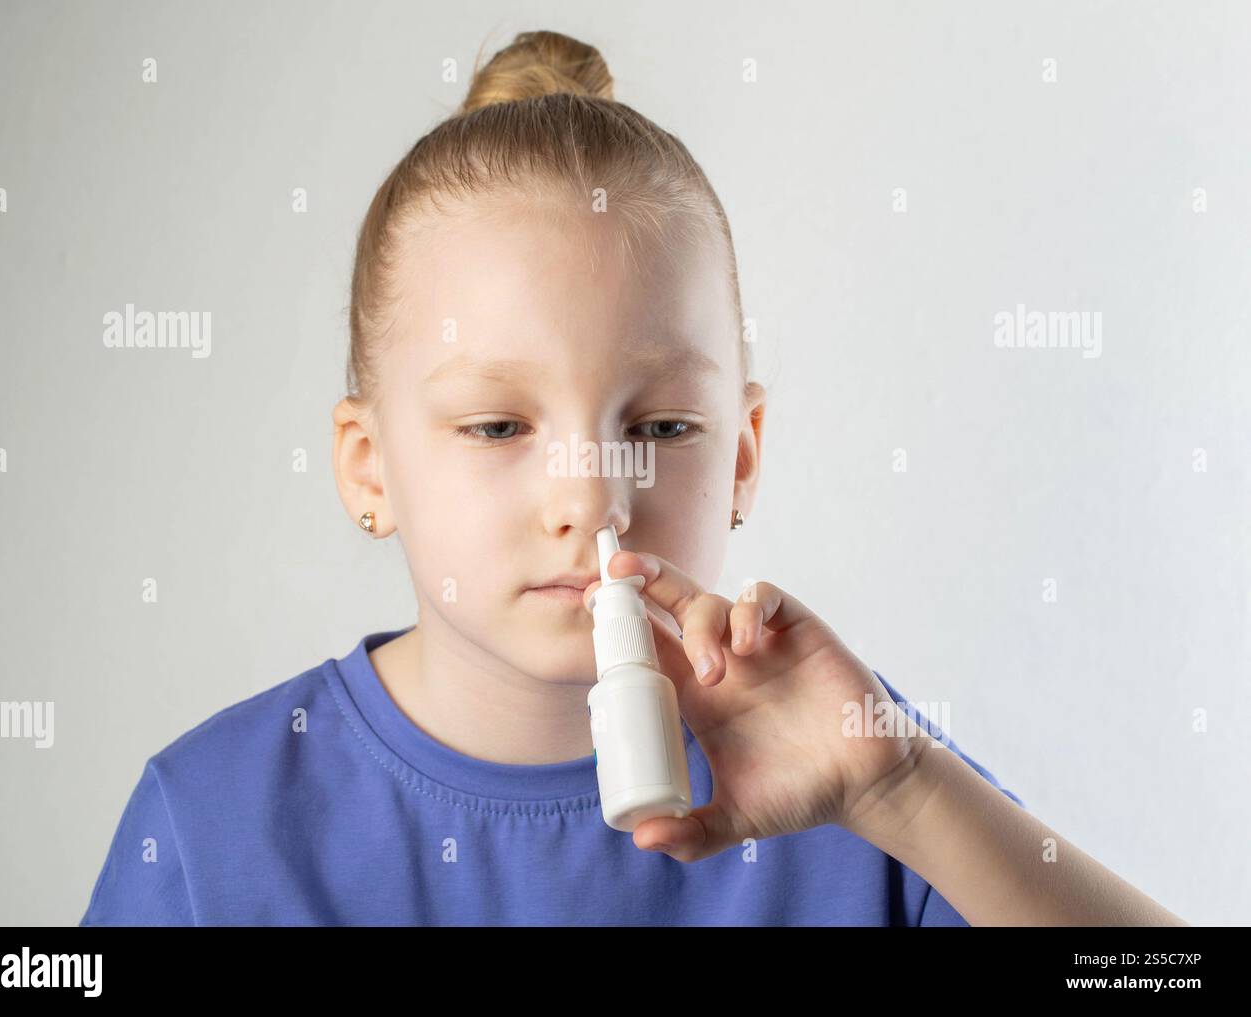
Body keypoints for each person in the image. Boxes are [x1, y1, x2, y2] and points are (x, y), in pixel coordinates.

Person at [80, 29, 1184, 926]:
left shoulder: (857, 795)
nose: (596, 501)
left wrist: (905, 792)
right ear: (369, 468)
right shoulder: (210, 824)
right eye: (498, 424)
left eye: (657, 424)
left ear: (742, 456)